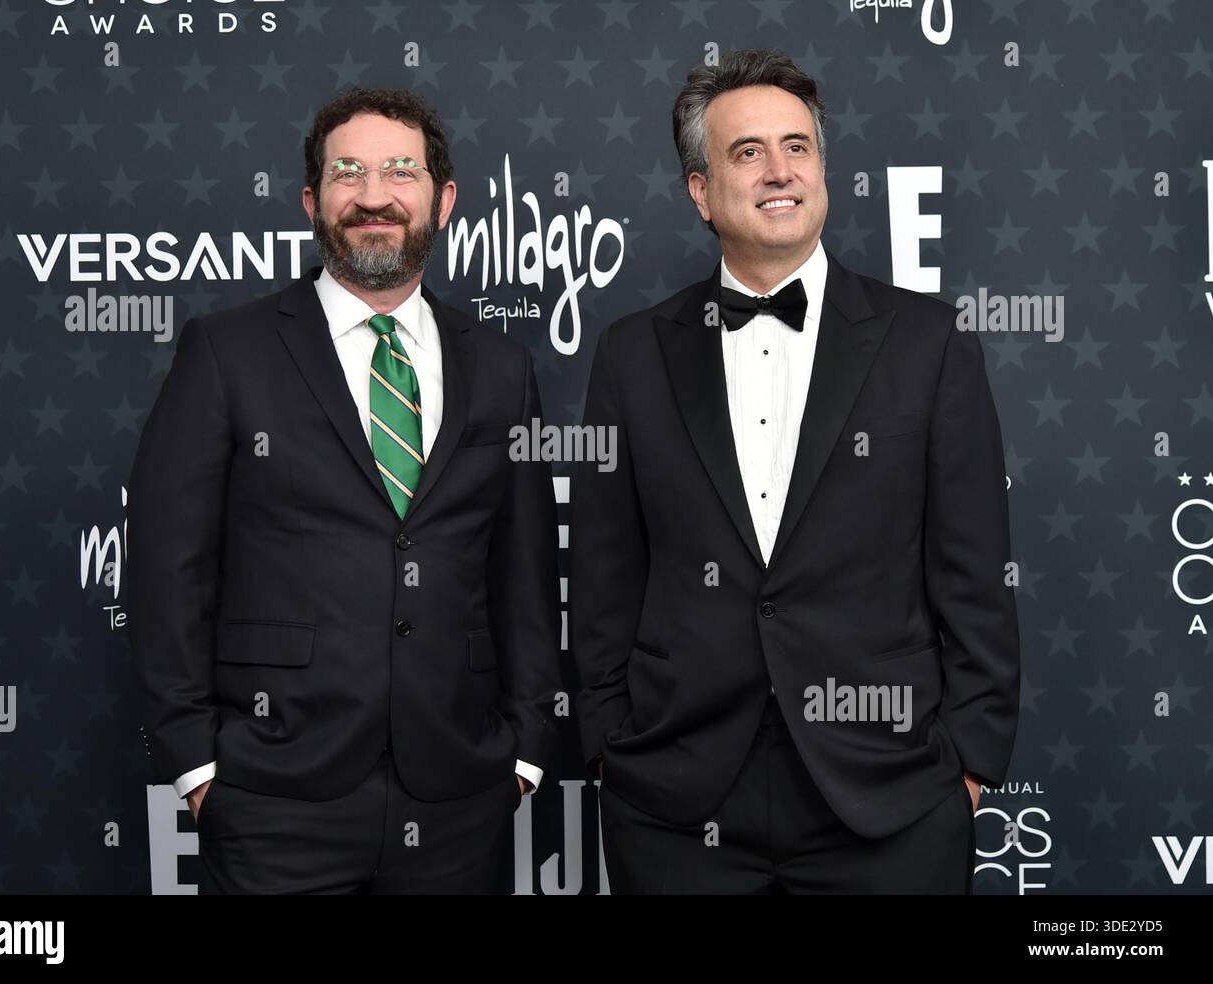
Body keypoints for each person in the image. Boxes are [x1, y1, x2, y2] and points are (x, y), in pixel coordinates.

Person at [572, 49, 1020, 893]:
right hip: (677, 800)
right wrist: (609, 745)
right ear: (701, 191)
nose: (780, 170)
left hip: (889, 798)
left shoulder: (930, 342)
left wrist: (967, 767)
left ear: (823, 169)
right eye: (748, 152)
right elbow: (603, 574)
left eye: (798, 147)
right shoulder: (633, 354)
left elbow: (976, 577)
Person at [127, 87, 562, 894]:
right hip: (272, 797)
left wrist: (527, 752)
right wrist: (196, 767)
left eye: (402, 170)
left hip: (461, 799)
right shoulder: (227, 352)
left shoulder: (502, 366)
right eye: (347, 173)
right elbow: (164, 572)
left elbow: (526, 573)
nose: (374, 196)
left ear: (444, 198)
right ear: (311, 200)